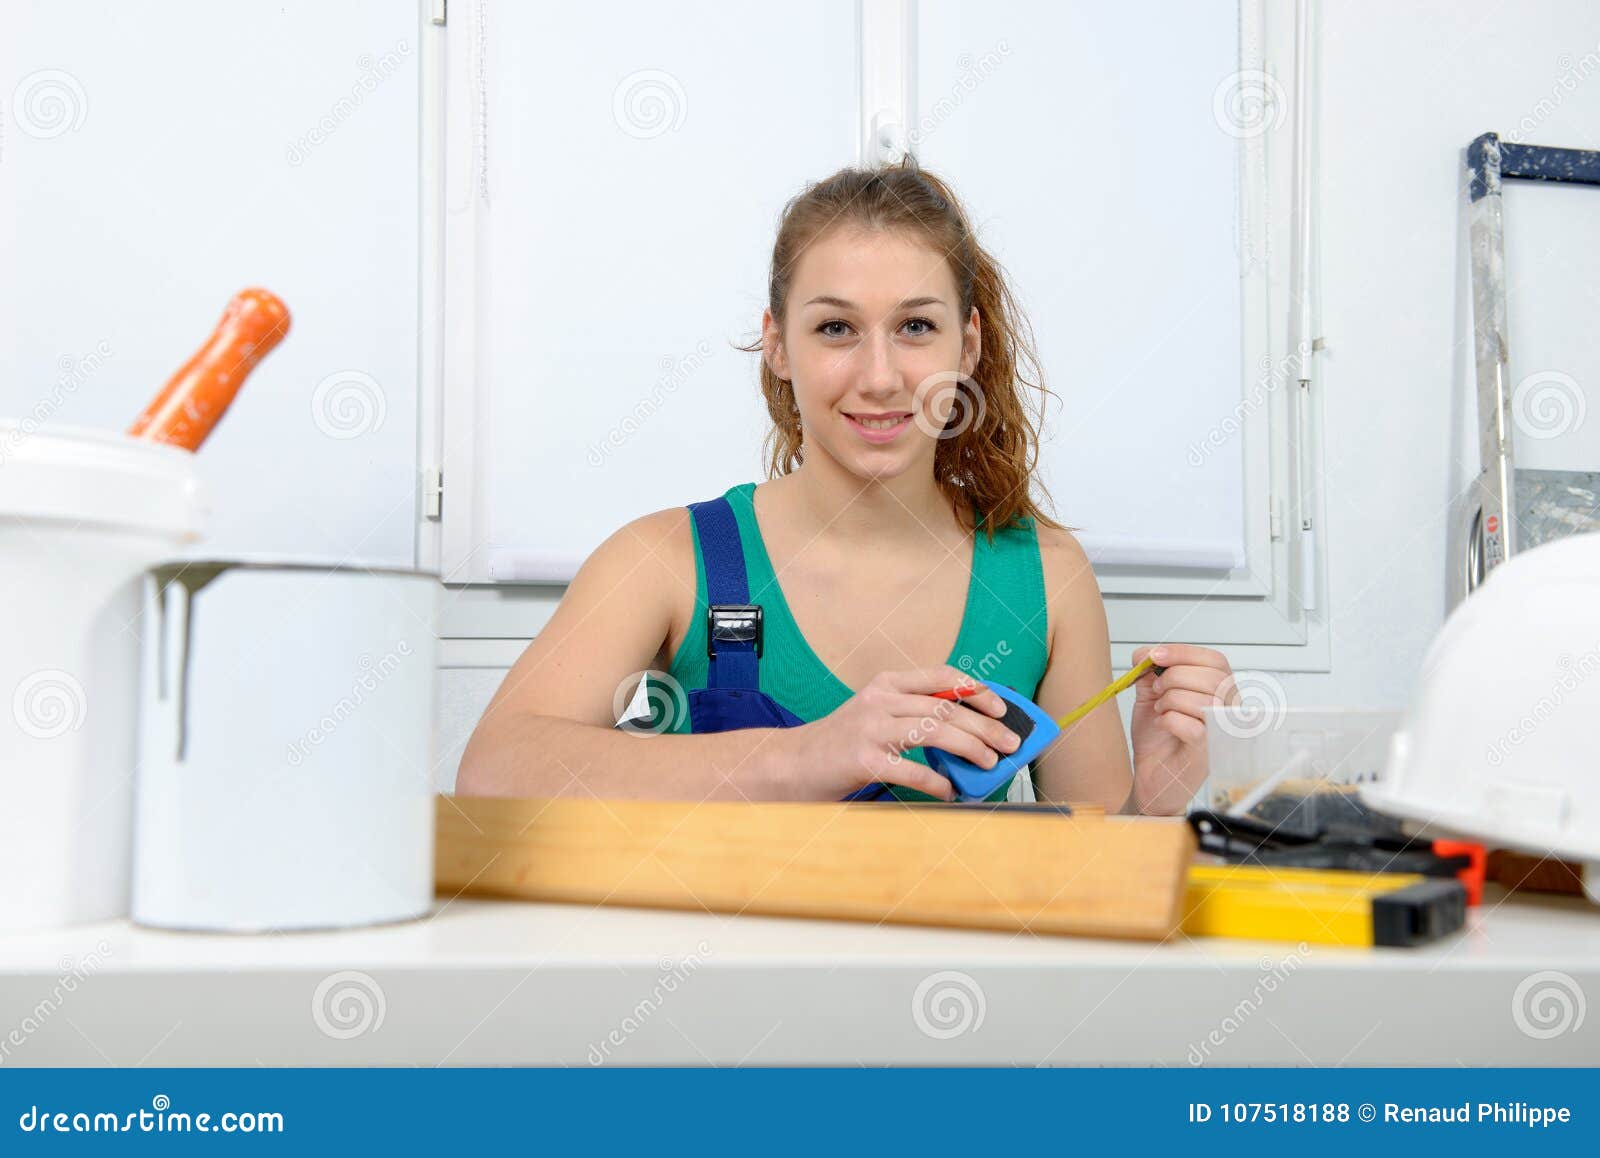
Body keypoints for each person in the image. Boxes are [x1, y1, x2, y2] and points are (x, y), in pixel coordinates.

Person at [456, 159, 1237, 812]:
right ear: (778, 346)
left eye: (916, 327)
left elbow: (1095, 876)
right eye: (835, 328)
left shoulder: (1046, 577)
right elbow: (494, 773)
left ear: (967, 347)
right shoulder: (665, 561)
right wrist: (806, 756)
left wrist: (1158, 802)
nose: (879, 376)